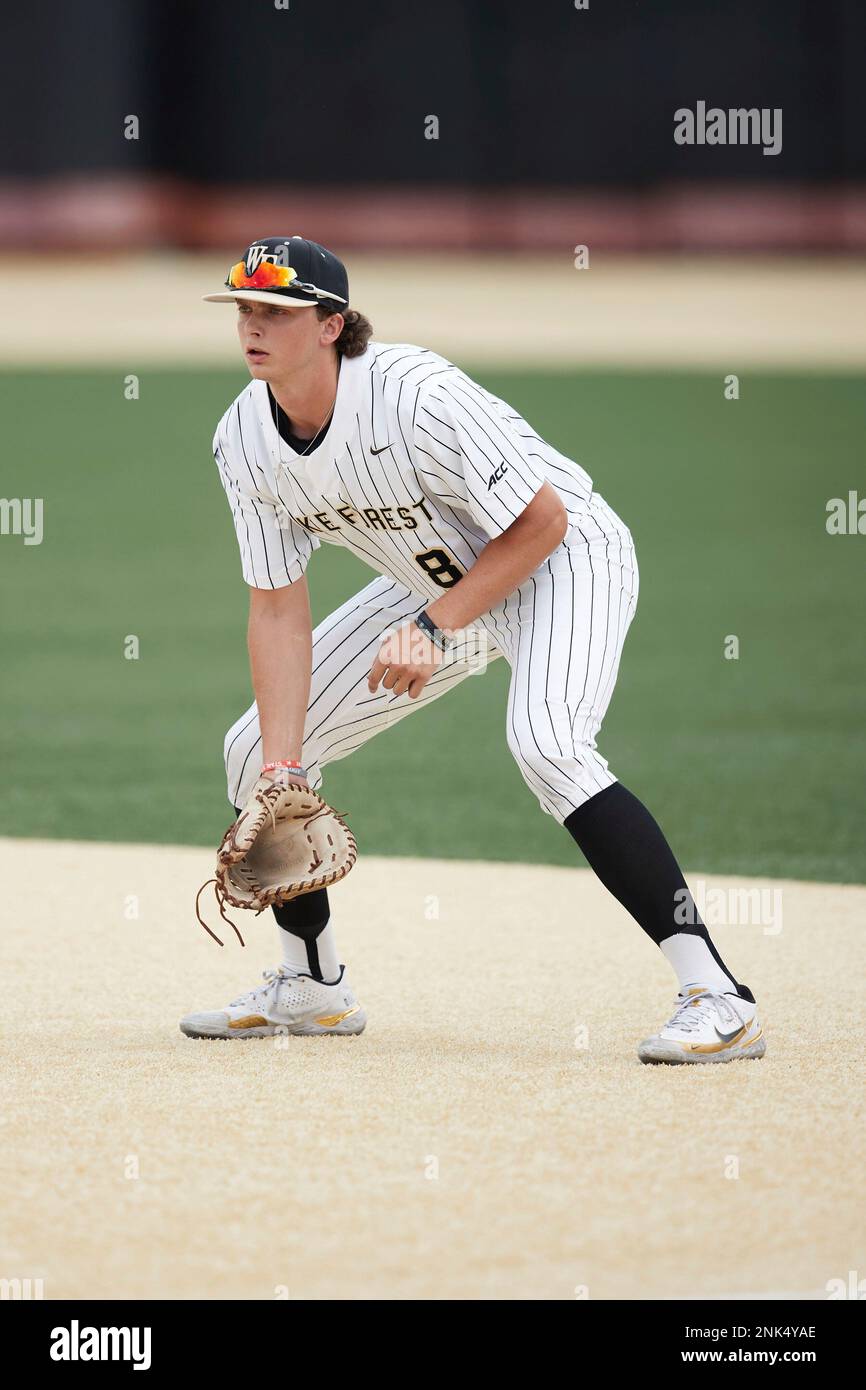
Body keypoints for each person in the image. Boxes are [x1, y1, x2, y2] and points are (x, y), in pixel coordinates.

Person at [179, 234, 765, 1065]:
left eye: (275, 309)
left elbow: (543, 521)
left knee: (549, 745)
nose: (252, 324)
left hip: (565, 563)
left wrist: (433, 628)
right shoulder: (243, 437)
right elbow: (276, 610)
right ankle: (312, 985)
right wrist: (283, 770)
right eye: (243, 307)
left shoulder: (415, 394)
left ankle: (717, 994)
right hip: (438, 586)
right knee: (253, 757)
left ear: (331, 325)